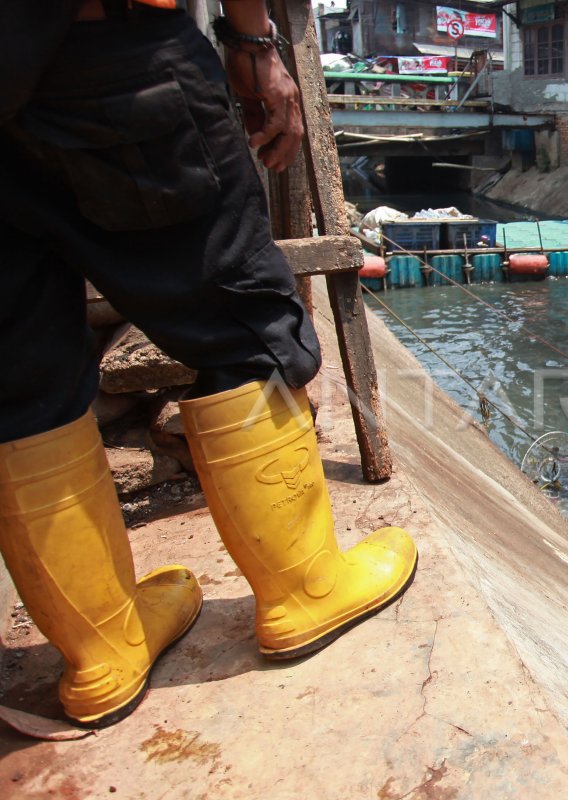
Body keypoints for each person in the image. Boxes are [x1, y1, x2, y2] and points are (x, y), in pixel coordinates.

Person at [0, 0, 417, 729]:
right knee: (242, 326)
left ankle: (102, 653)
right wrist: (254, 43)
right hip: (106, 54)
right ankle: (304, 591)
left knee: (17, 371)